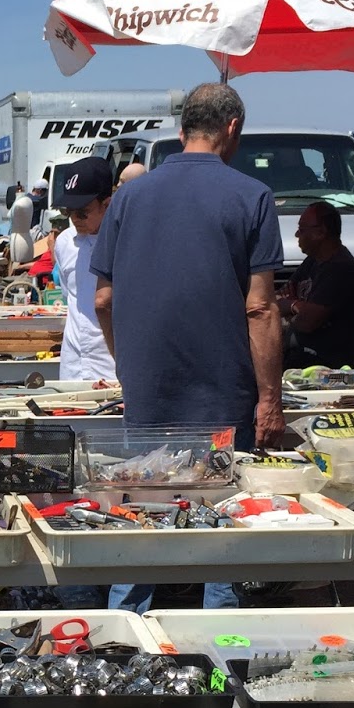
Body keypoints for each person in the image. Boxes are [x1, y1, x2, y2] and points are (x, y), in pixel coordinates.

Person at [91, 83, 284, 614]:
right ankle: (220, 655)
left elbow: (104, 298)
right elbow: (261, 308)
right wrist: (271, 398)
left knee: (144, 522)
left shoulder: (128, 196)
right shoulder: (252, 196)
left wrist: (127, 363)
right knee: (220, 528)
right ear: (232, 129)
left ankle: (123, 642)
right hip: (222, 397)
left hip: (148, 394)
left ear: (181, 130)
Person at [51, 158, 117, 382]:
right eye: (69, 211)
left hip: (111, 366)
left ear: (106, 205)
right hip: (73, 366)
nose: (74, 219)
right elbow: (70, 298)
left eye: (83, 212)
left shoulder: (125, 242)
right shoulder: (65, 243)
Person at [279, 200, 354, 370]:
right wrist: (297, 308)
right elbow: (280, 297)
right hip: (297, 359)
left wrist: (293, 305)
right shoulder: (312, 262)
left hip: (325, 366)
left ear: (321, 232)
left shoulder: (341, 268)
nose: (297, 234)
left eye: (302, 229)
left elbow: (308, 321)